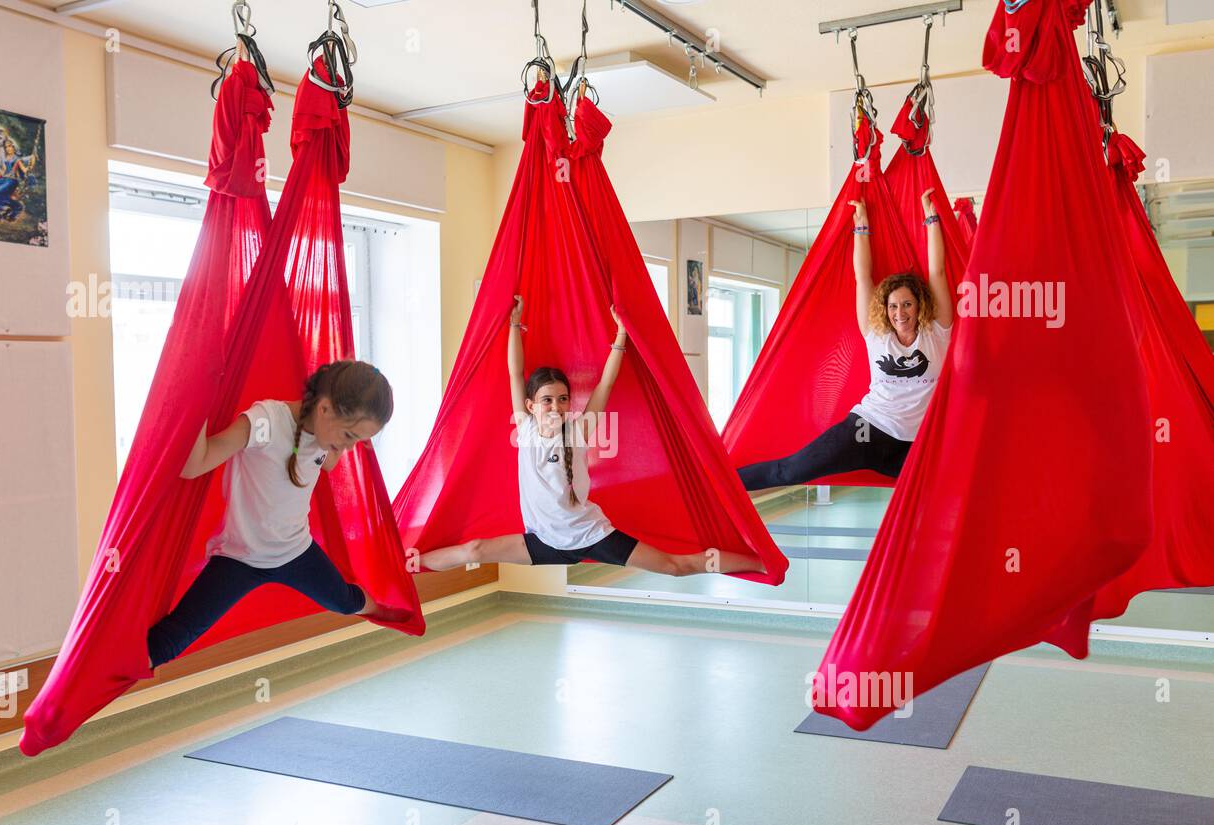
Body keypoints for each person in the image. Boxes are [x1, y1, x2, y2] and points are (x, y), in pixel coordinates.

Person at [420, 296, 766, 576]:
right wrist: (514, 324)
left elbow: (605, 385)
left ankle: (759, 563)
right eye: (546, 400)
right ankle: (412, 565)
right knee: (474, 549)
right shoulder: (524, 430)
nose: (555, 406)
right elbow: (515, 371)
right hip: (543, 541)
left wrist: (621, 336)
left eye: (562, 399)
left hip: (591, 534)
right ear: (530, 405)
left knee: (676, 566)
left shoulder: (578, 431)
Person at [146, 360, 391, 669]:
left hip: (296, 552)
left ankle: (387, 611)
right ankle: (97, 682)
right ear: (325, 409)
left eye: (357, 441)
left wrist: (340, 444)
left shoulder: (324, 435)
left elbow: (324, 463)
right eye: (350, 436)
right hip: (240, 559)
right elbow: (194, 465)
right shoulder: (265, 423)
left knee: (347, 602)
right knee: (170, 641)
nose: (349, 447)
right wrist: (198, 399)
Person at [737, 188, 954, 489]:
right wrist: (861, 226)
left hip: (915, 446)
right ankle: (716, 488)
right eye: (893, 306)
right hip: (867, 429)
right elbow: (862, 277)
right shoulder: (875, 333)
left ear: (920, 306)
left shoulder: (937, 333)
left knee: (945, 492)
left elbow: (938, 272)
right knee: (789, 471)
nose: (899, 313)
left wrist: (931, 218)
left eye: (907, 304)